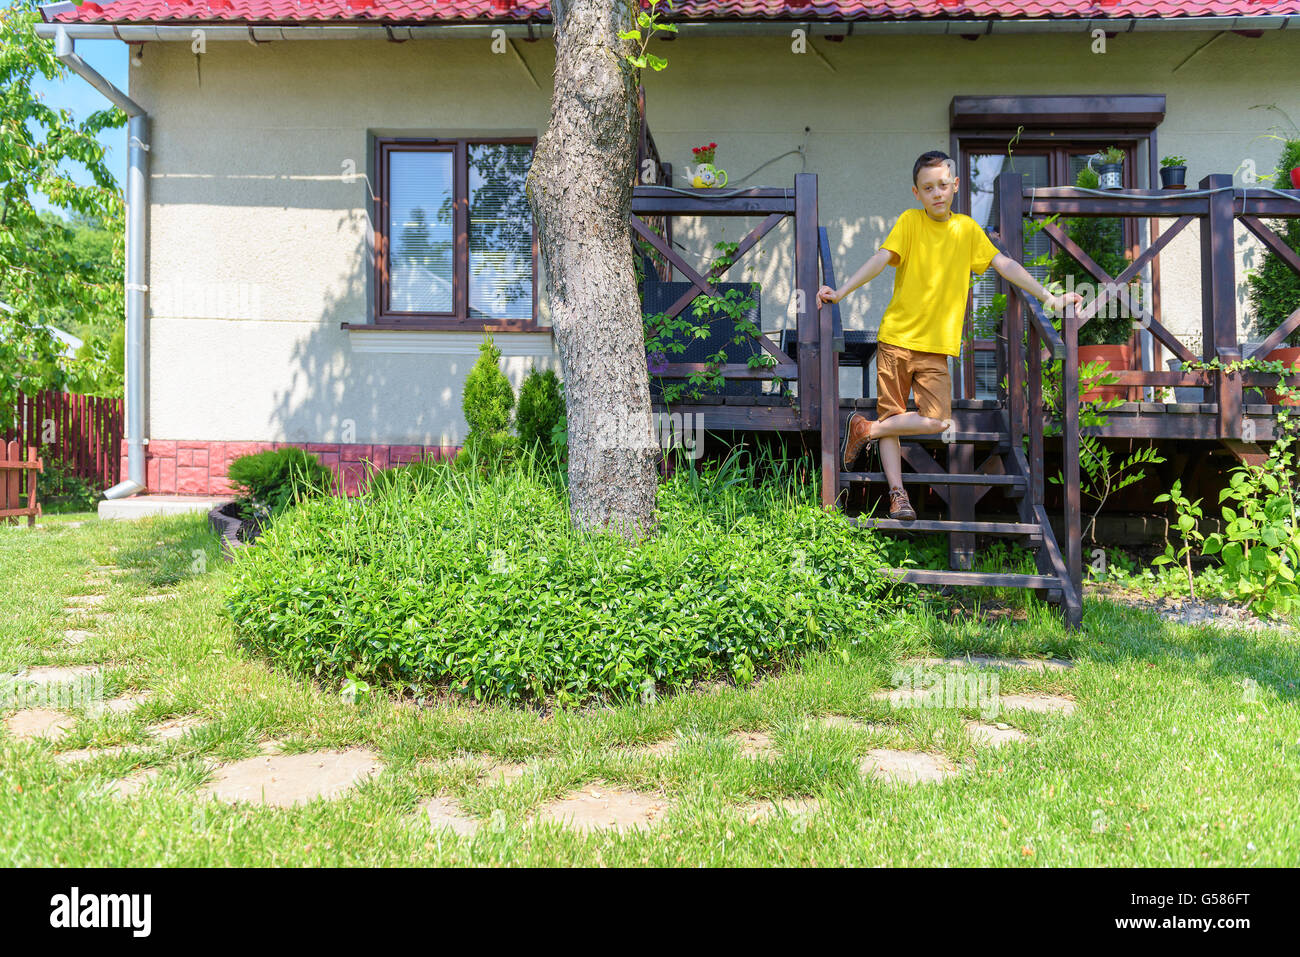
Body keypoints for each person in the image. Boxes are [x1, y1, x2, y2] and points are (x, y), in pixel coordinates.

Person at [816, 150, 1081, 520]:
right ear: (916, 193)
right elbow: (880, 259)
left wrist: (1049, 297)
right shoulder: (910, 222)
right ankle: (898, 495)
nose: (937, 193)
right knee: (893, 414)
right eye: (928, 188)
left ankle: (864, 428)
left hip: (936, 348)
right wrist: (840, 292)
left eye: (943, 185)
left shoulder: (966, 230)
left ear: (955, 186)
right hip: (896, 339)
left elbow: (1004, 264)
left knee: (939, 421)